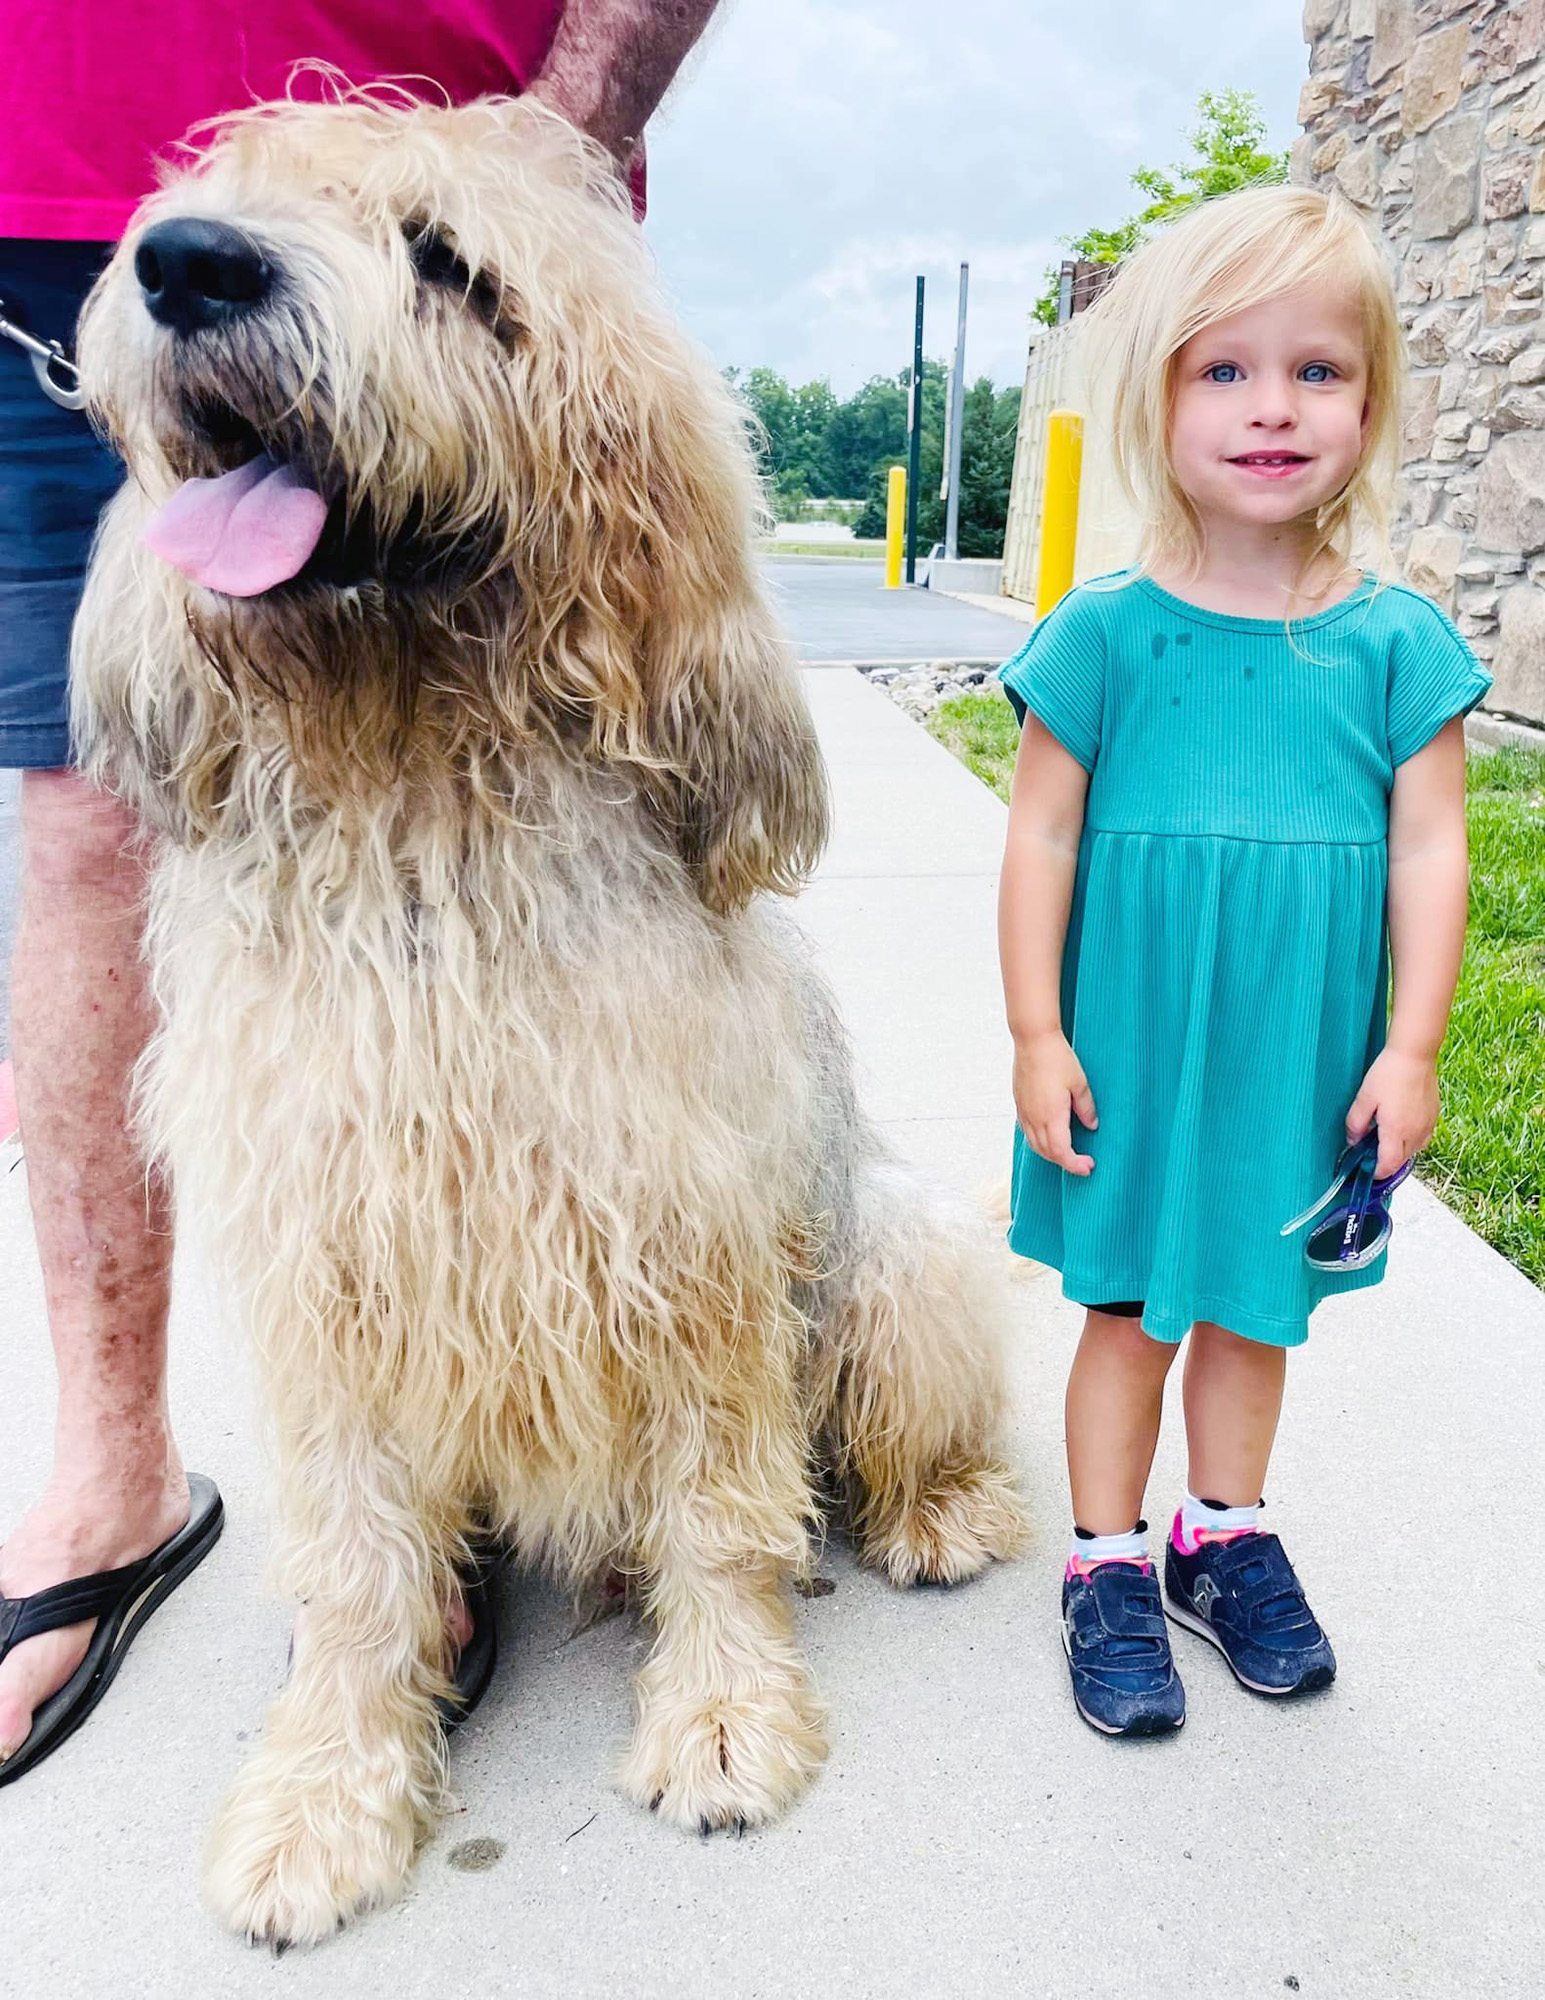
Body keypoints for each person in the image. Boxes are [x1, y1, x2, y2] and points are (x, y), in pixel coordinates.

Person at [0, 0, 722, 1784]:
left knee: (572, 827)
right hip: (47, 197)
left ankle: (568, 1475)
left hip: (473, 184)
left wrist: (534, 165)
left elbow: (719, 742)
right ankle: (145, 1483)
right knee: (100, 803)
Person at [997, 185, 1490, 1738]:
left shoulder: (1395, 643)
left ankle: (1219, 1537)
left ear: (1370, 401)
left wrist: (1410, 1047)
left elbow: (1428, 852)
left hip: (1295, 1054)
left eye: (1315, 370)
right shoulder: (1101, 632)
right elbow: (1040, 840)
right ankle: (1103, 1562)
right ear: (1154, 400)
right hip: (1129, 1048)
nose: (1272, 407)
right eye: (1223, 369)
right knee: (1128, 1310)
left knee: (1253, 1308)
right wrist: (1033, 1033)